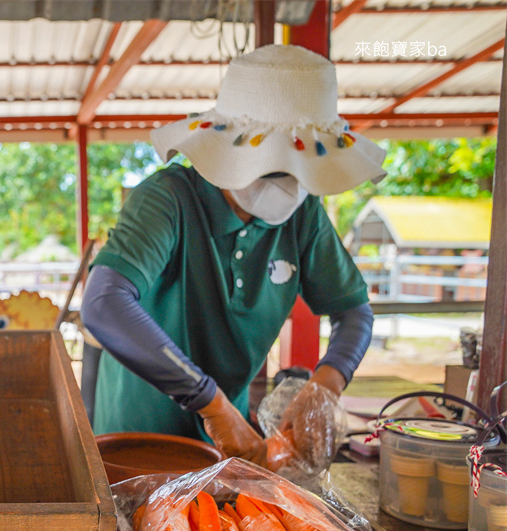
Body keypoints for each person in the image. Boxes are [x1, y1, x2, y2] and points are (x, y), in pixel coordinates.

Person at [81, 45, 386, 463]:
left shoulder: (303, 216)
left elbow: (354, 314)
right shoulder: (169, 199)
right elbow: (103, 305)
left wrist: (325, 385)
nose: (287, 187)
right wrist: (209, 402)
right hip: (141, 435)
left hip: (231, 438)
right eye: (274, 172)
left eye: (299, 176)